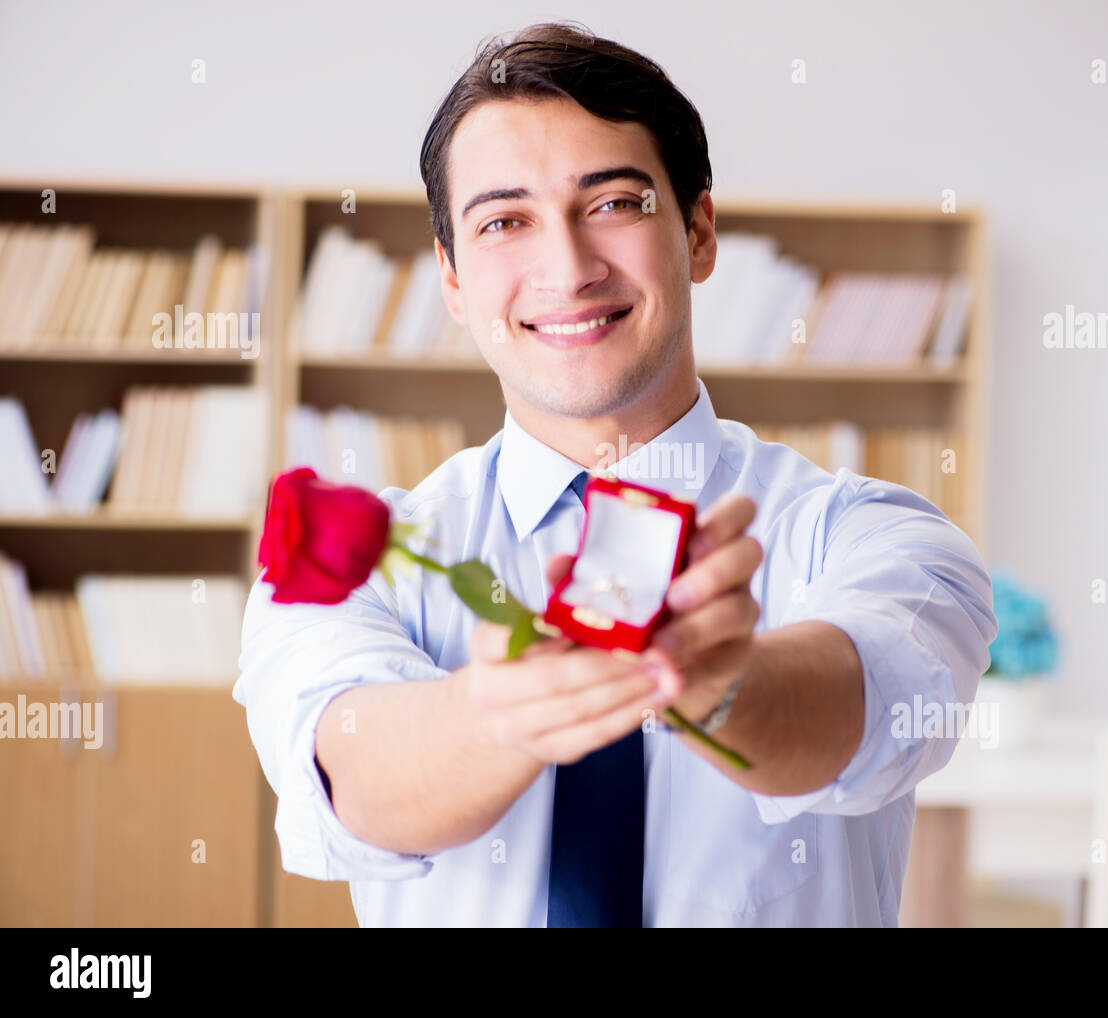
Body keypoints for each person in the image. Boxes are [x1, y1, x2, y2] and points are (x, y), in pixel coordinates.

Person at [233, 20, 997, 927]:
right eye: (505, 221)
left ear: (699, 232)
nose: (567, 266)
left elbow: (868, 713)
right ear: (451, 278)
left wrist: (720, 683)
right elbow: (350, 776)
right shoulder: (356, 560)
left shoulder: (872, 535)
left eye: (613, 203)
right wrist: (502, 716)